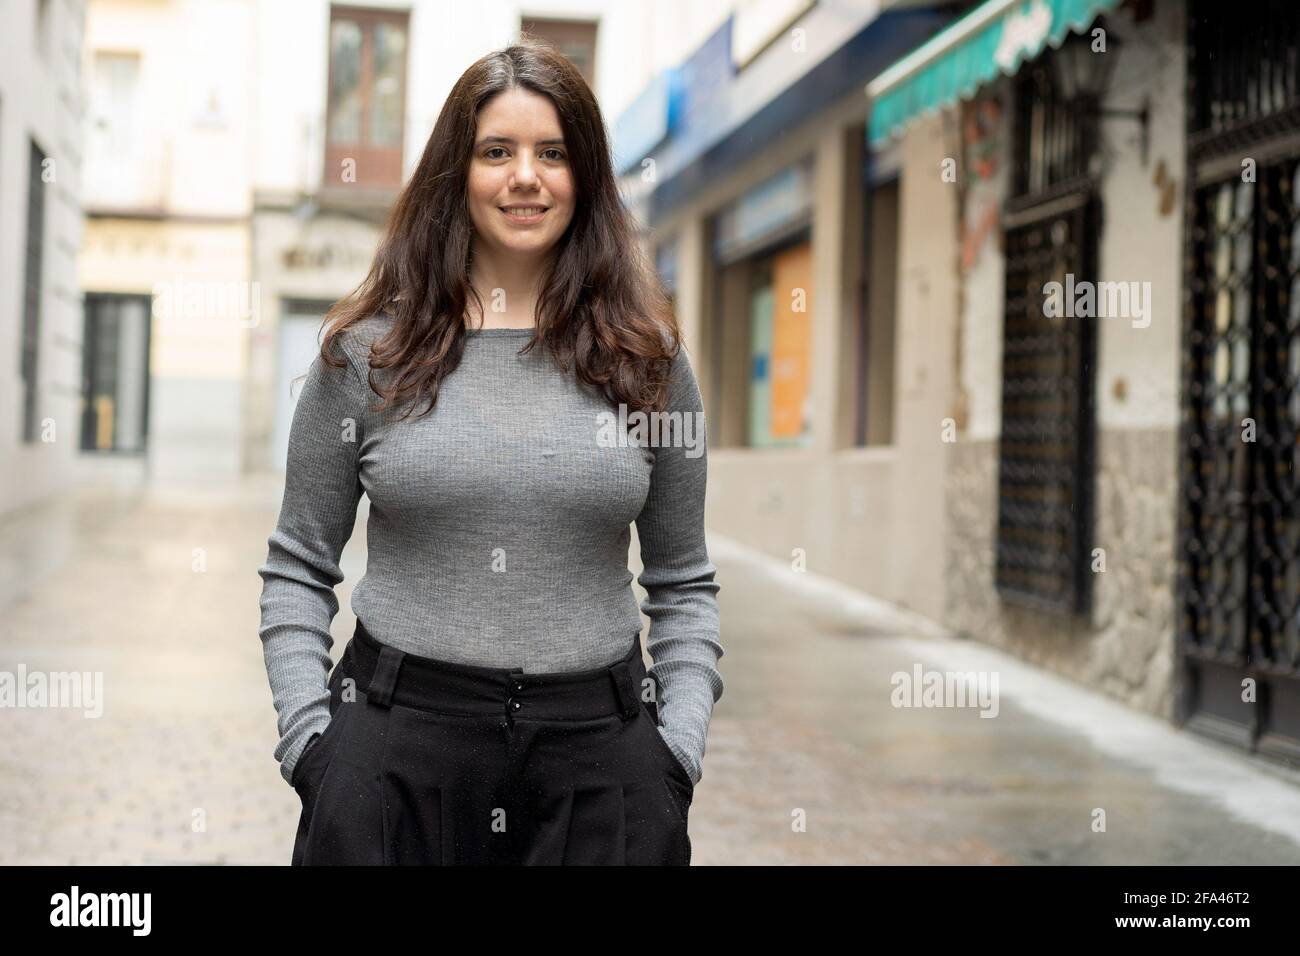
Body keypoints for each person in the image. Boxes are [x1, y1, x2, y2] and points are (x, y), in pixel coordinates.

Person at [256, 36, 724, 866]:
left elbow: (683, 580)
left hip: (600, 769)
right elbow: (298, 566)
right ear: (455, 172)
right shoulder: (365, 356)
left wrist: (674, 760)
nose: (525, 176)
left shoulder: (648, 360)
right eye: (496, 151)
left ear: (585, 177)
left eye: (553, 153)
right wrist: (314, 751)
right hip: (394, 763)